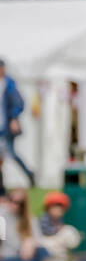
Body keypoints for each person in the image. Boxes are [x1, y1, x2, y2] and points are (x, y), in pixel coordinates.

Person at [0, 58, 34, 187]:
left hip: (6, 127)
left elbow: (19, 103)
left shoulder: (9, 84)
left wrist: (14, 118)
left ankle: (29, 173)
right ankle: (1, 186)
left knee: (10, 153)